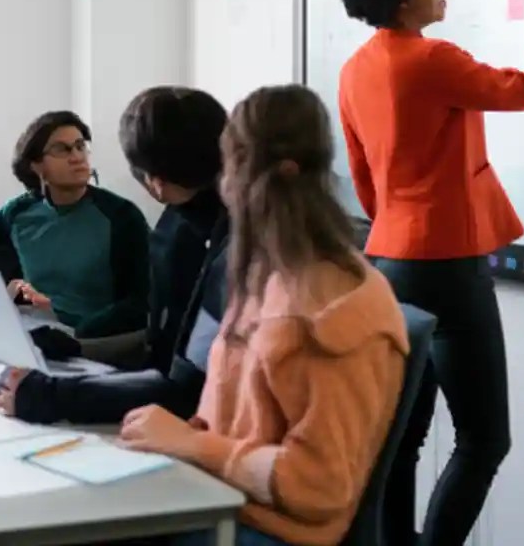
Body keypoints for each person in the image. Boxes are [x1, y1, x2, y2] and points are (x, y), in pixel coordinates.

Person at [337, 0, 524, 546]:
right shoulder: (430, 59)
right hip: (446, 263)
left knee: (403, 438)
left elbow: (365, 184)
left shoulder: (356, 68)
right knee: (484, 439)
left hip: (389, 260)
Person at [117, 84, 408, 546]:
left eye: (230, 167)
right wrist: (178, 439)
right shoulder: (264, 275)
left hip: (264, 529)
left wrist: (193, 445)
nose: (222, 185)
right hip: (213, 498)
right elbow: (230, 418)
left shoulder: (337, 308)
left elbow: (319, 485)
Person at [0, 86, 229, 423]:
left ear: (155, 183)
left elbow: (186, 391)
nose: (76, 157)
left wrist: (53, 397)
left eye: (79, 147)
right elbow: (159, 348)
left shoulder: (225, 251)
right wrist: (77, 348)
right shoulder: (182, 227)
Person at [0, 110, 150, 339]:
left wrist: (80, 332)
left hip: (95, 339)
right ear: (36, 166)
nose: (76, 156)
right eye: (61, 149)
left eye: (79, 146)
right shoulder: (17, 212)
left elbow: (140, 301)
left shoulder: (121, 216)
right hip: (35, 331)